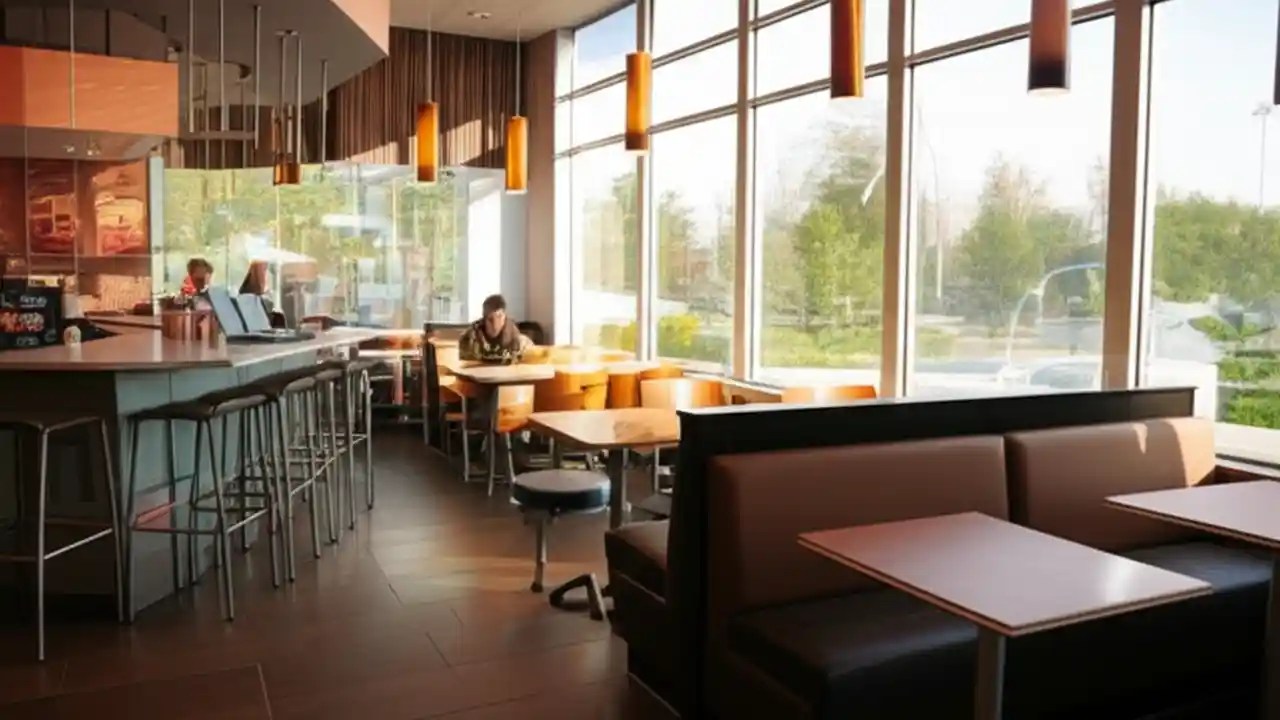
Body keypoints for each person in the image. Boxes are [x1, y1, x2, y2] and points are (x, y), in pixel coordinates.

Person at [459, 294, 533, 363]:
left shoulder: (521, 342)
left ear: (505, 316)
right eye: (490, 319)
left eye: (499, 317)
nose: (495, 324)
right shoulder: (469, 340)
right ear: (484, 319)